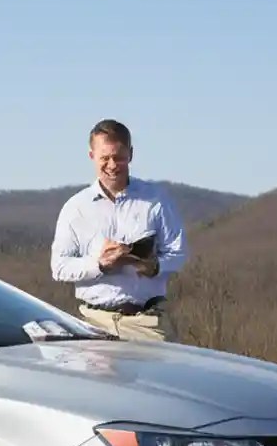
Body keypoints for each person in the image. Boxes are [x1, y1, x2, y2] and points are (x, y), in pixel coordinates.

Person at [50, 119, 188, 342]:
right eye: (105, 158)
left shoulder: (155, 200)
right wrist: (100, 264)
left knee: (167, 376)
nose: (112, 165)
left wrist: (152, 266)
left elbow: (178, 253)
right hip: (93, 324)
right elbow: (59, 267)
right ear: (91, 156)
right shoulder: (75, 208)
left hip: (147, 322)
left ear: (131, 155)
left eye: (119, 157)